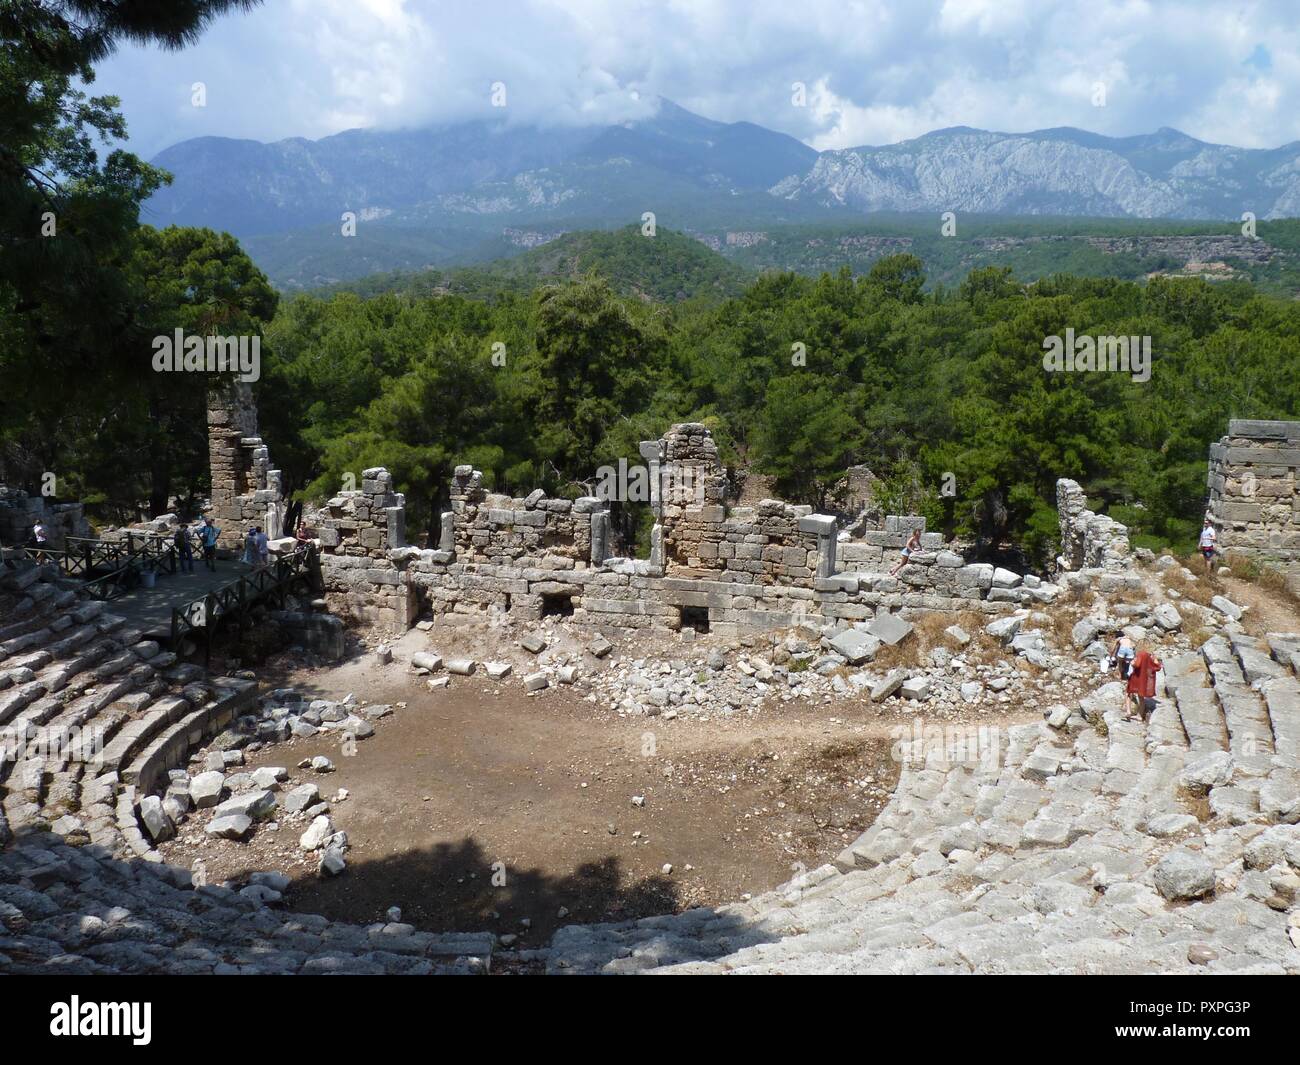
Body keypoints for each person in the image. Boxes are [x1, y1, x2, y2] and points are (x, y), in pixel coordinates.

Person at [1126, 644, 1163, 722]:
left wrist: (1132, 663)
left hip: (1136, 678)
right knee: (1141, 698)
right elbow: (1158, 667)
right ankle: (1139, 716)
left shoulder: (1141, 654)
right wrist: (1155, 659)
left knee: (1128, 693)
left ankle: (1128, 712)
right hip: (1144, 680)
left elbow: (1137, 664)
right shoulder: (1150, 656)